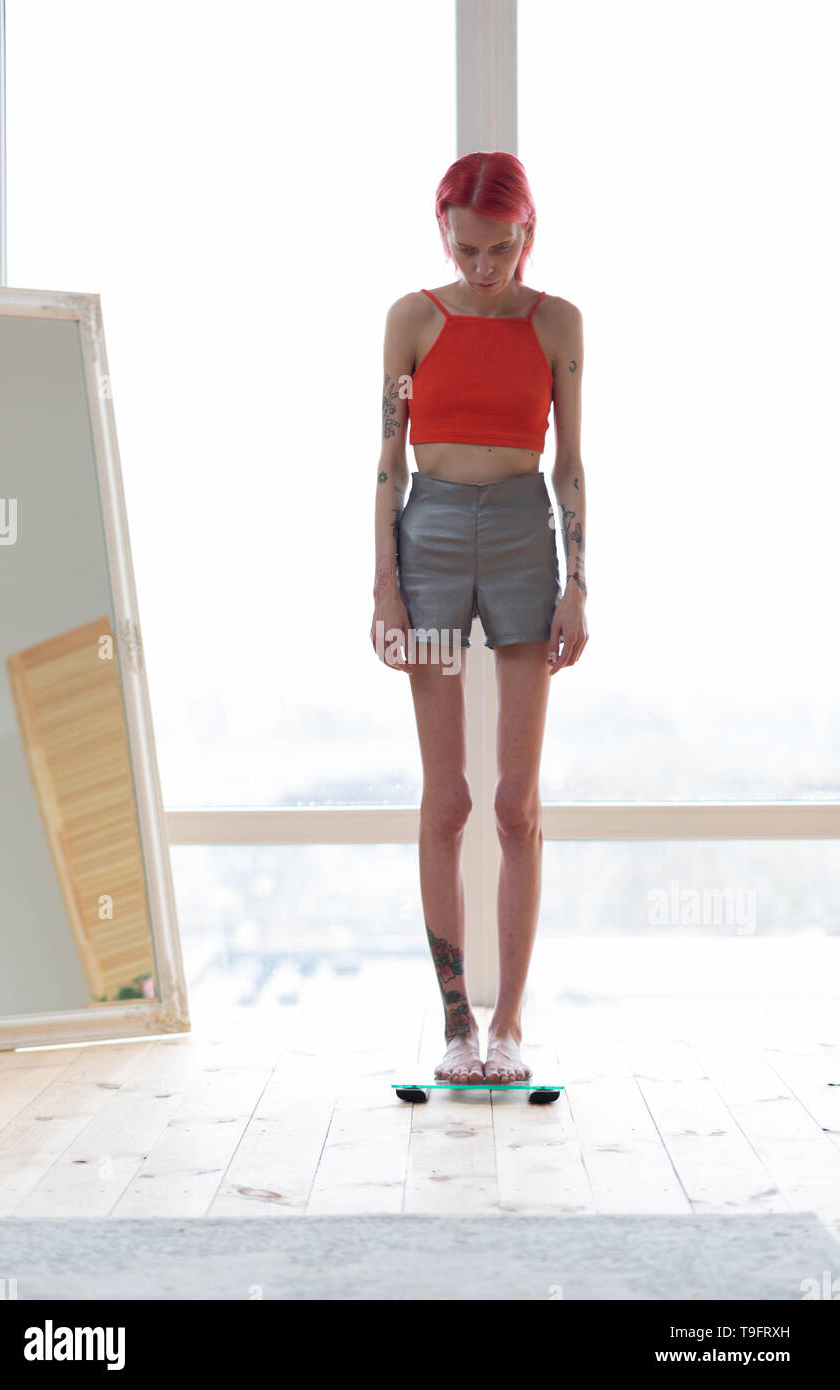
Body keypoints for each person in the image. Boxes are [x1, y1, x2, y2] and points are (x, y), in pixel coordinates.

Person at [369, 151, 588, 1085]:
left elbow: (571, 462)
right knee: (448, 798)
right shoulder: (412, 319)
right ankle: (456, 1025)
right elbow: (386, 457)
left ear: (526, 235)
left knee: (516, 803)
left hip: (521, 536)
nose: (484, 266)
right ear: (444, 232)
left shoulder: (558, 323)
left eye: (501, 248)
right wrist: (383, 582)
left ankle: (510, 1028)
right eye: (468, 247)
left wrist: (580, 581)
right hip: (429, 534)